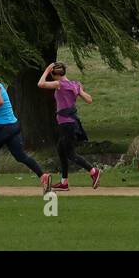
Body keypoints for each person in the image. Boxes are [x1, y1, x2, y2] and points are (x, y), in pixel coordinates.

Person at [0, 63, 51, 195]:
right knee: (20, 156)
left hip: (2, 127)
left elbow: (0, 101)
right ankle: (43, 176)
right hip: (14, 125)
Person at [38, 61, 100, 190]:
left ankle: (93, 171)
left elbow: (40, 84)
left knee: (70, 154)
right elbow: (89, 100)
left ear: (55, 75)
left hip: (67, 124)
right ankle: (64, 182)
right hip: (70, 123)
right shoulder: (74, 84)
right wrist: (80, 91)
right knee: (61, 149)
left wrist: (47, 70)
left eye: (52, 74)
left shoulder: (59, 84)